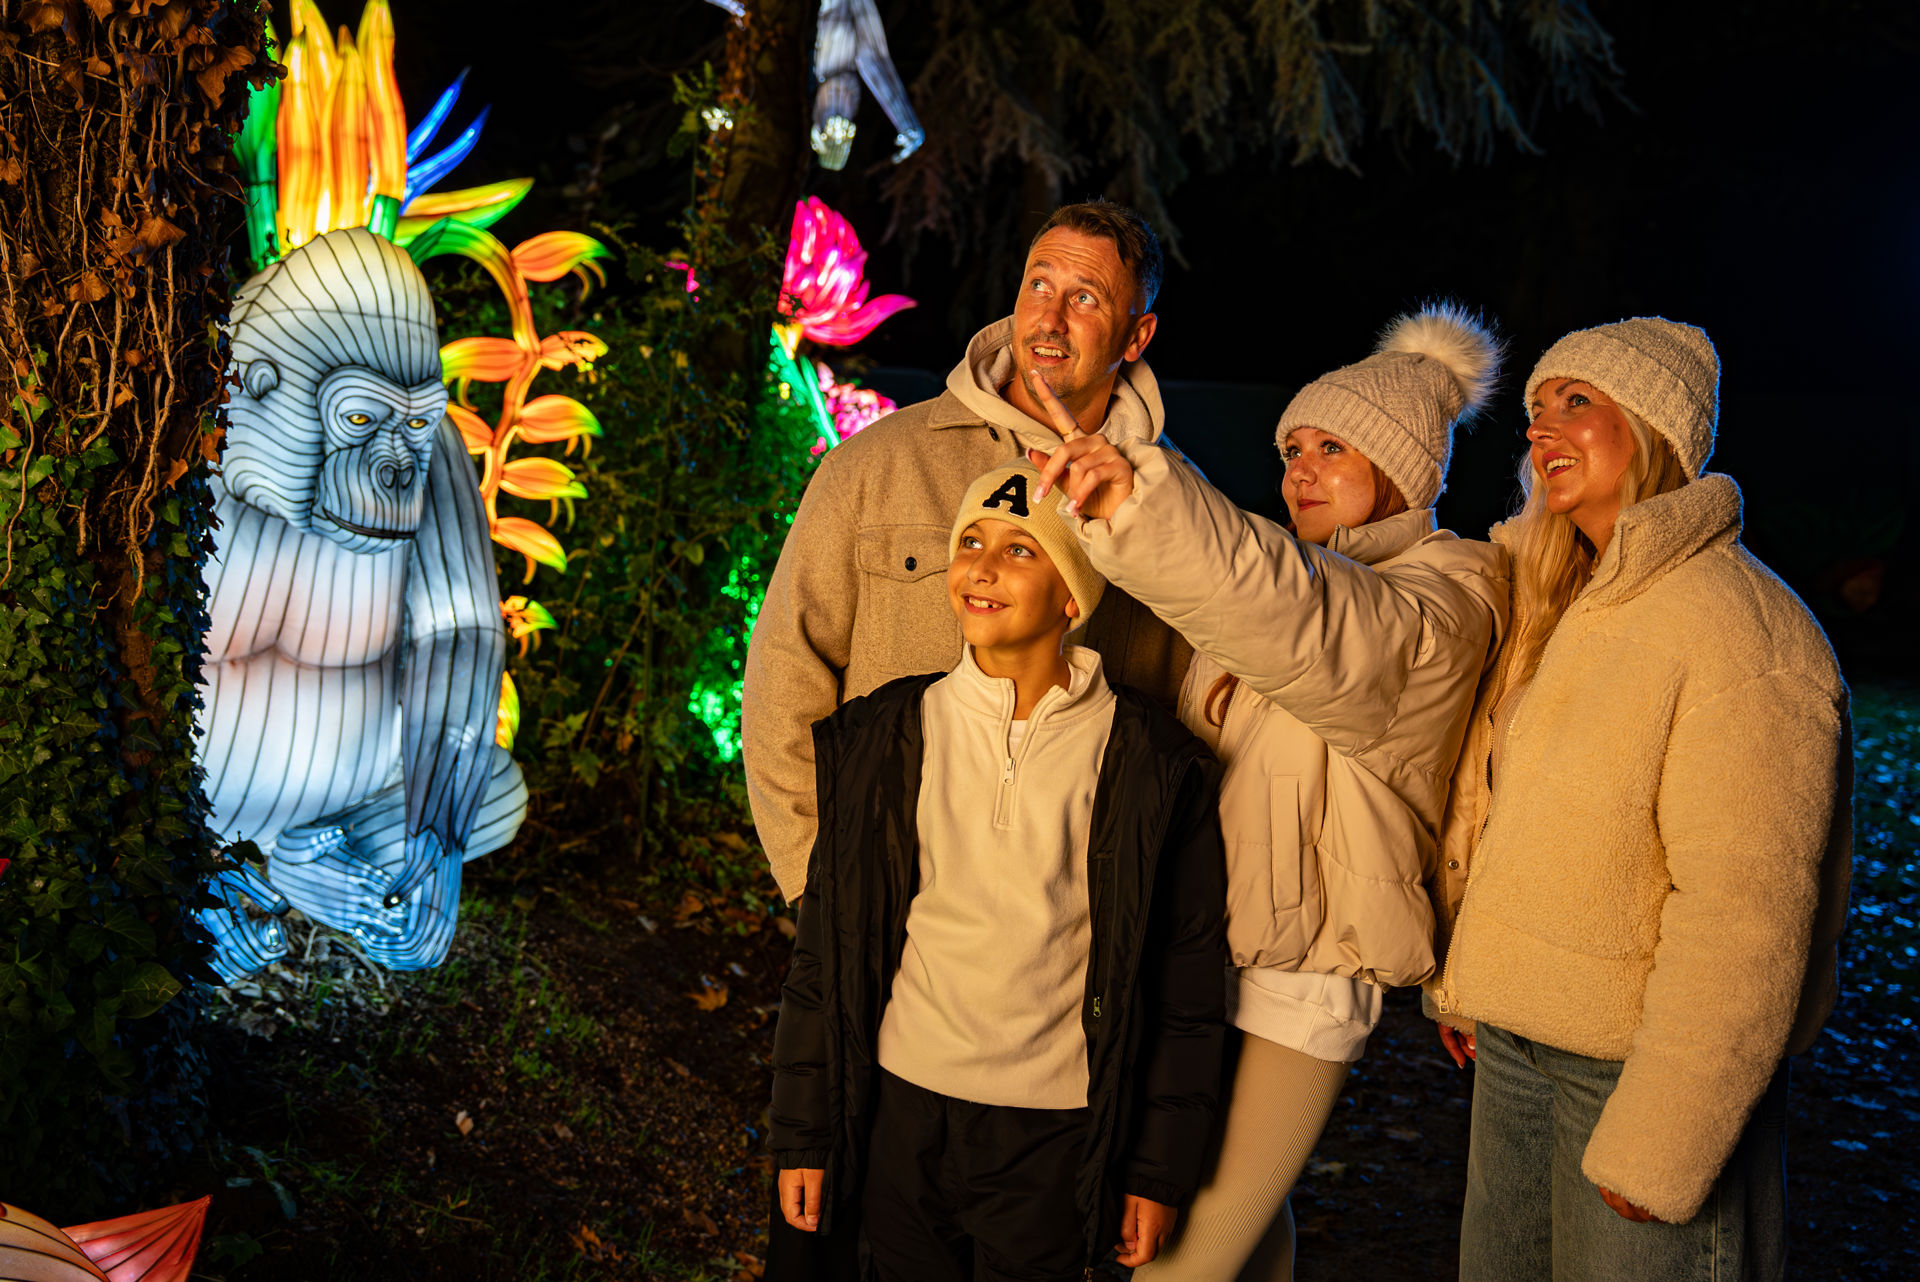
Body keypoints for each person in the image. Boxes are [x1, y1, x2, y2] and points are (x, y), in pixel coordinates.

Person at [1030, 303, 1512, 1279]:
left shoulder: (1445, 599)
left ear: (1404, 470)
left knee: (1180, 1257)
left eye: (1334, 447)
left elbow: (1320, 625)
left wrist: (1146, 496)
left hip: (1303, 984)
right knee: (1245, 1244)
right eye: (1293, 444)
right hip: (1203, 958)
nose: (1300, 466)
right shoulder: (1287, 580)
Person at [1423, 318, 1852, 1279]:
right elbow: (1520, 816)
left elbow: (1750, 914)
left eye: (1578, 402)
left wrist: (1668, 1136)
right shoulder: (1564, 600)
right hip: (1517, 1056)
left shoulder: (1741, 629)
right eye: (1535, 411)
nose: (1543, 430)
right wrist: (1481, 978)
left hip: (1632, 1080)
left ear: (1654, 427)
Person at [768, 459, 1228, 1281]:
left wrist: (1156, 1169)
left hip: (1053, 1133)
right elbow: (825, 957)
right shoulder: (882, 735)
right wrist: (806, 1131)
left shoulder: (1151, 764)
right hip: (902, 1113)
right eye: (971, 541)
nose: (980, 566)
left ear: (1074, 595)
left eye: (1021, 550)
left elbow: (1184, 986)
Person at [742, 200, 1191, 908]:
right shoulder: (877, 466)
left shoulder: (1174, 510)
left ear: (1137, 336)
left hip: (1071, 923)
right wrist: (814, 878)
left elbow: (1191, 722)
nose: (1050, 319)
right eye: (1038, 285)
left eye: (1084, 298)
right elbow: (784, 668)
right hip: (883, 896)